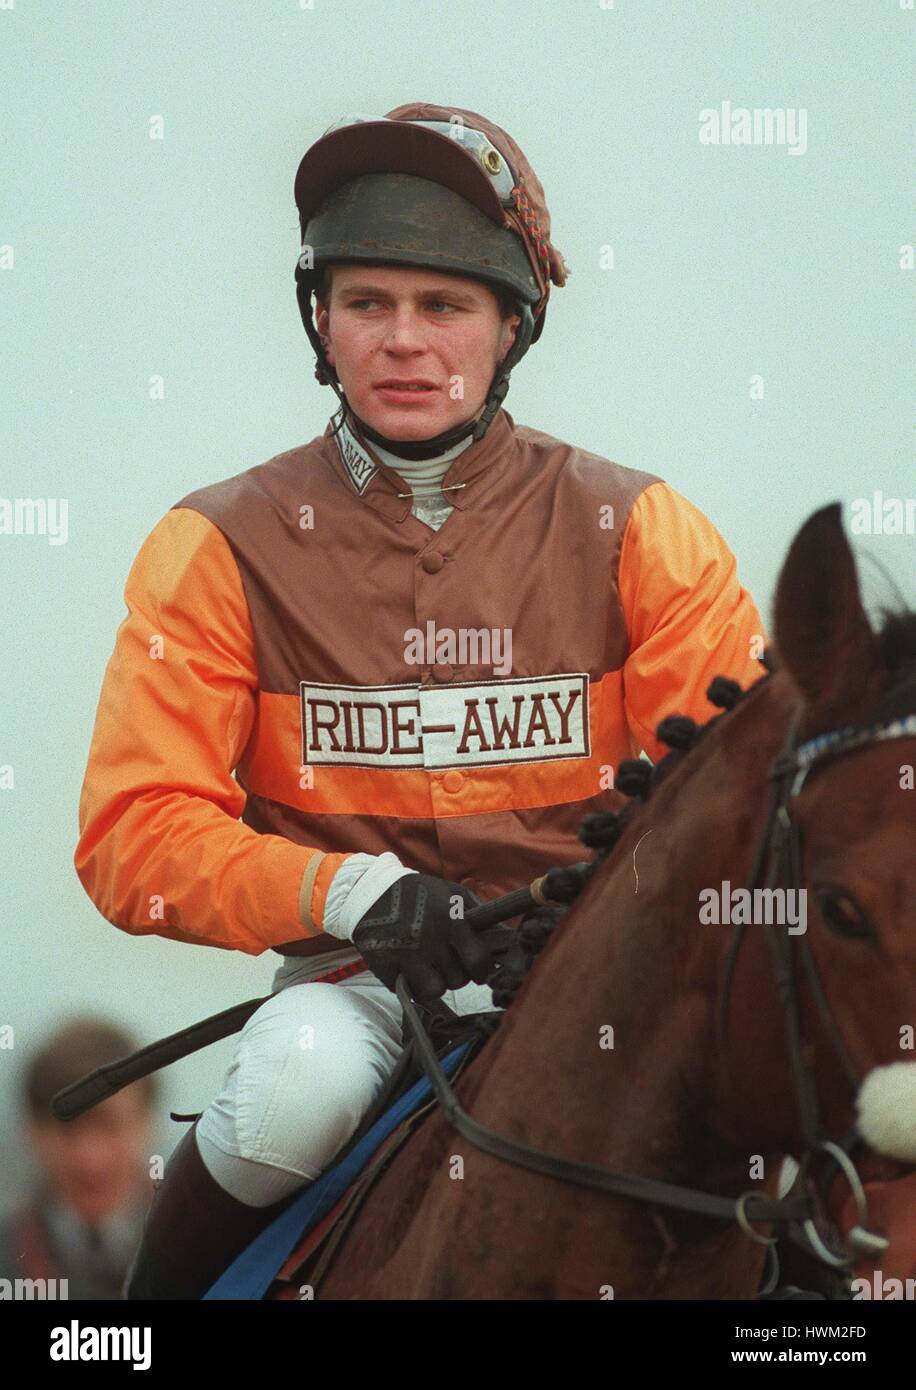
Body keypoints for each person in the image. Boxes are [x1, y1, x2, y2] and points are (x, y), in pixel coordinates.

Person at [74, 103, 766, 1298]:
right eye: (366, 303)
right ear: (320, 323)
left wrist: (596, 934)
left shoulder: (647, 532)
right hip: (357, 991)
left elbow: (736, 814)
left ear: (511, 326)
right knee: (294, 1093)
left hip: (588, 984)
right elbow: (132, 836)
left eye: (442, 306)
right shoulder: (210, 544)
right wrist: (346, 891)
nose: (404, 341)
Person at [0, 1019, 156, 1299]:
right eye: (68, 1130)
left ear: (147, 1123)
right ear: (32, 1131)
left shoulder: (205, 1252)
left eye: (109, 1125)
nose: (89, 1158)